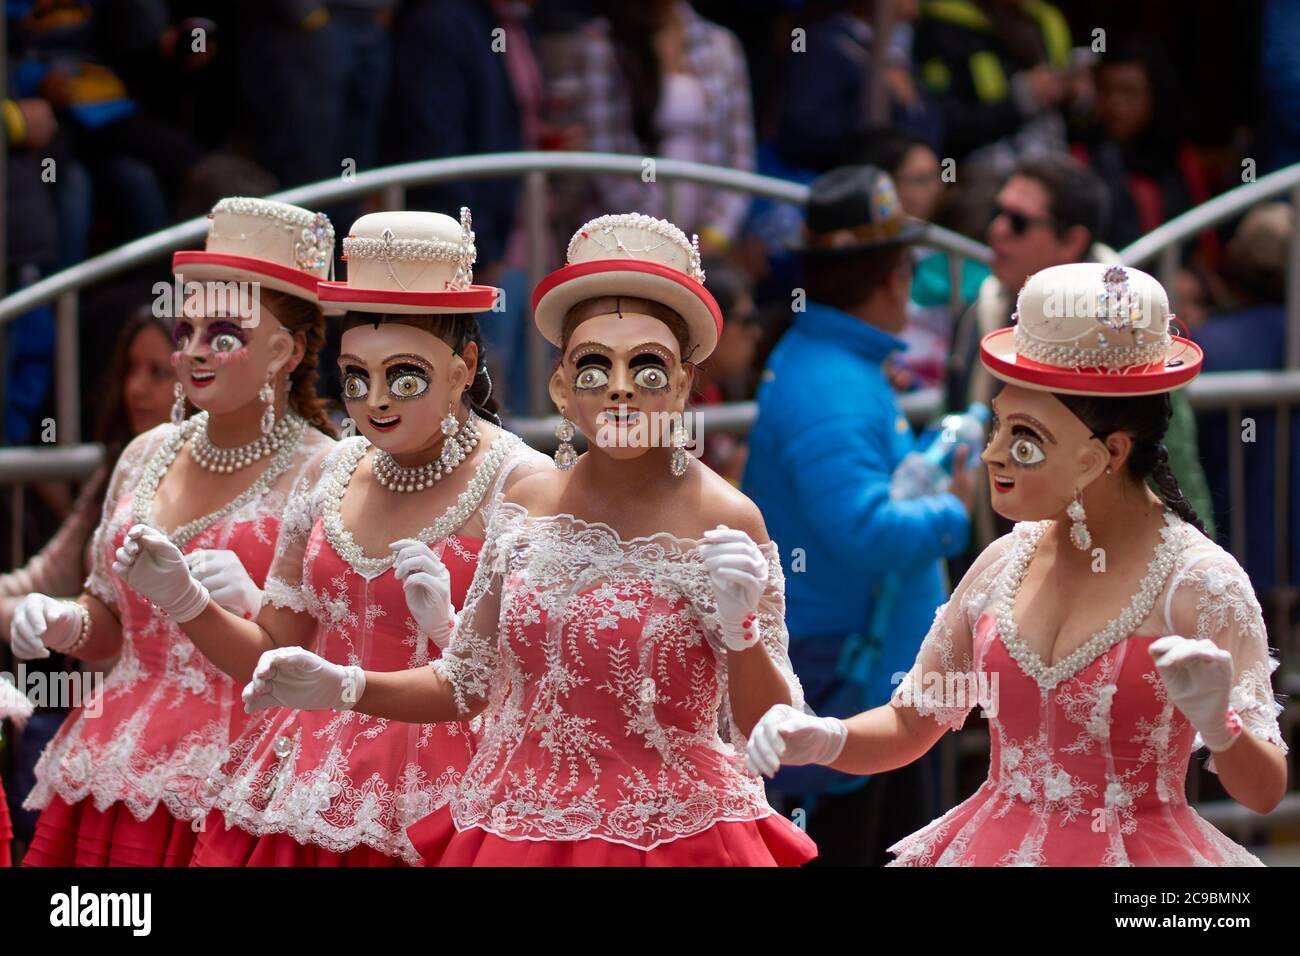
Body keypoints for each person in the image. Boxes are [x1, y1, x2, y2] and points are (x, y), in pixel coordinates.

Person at [241, 212, 818, 866]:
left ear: (684, 384)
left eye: (648, 367)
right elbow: (466, 683)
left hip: (667, 842)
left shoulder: (729, 519)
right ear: (562, 389)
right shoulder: (526, 500)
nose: (620, 387)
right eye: (594, 366)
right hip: (513, 830)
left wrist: (742, 637)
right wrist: (342, 684)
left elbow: (774, 727)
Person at [747, 263, 1289, 866]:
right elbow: (911, 725)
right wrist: (825, 737)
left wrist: (1221, 726)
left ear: (1107, 453)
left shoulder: (1201, 585)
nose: (991, 454)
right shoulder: (1003, 563)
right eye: (998, 425)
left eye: (1024, 439)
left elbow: (1264, 792)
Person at [116, 209, 550, 866]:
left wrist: (448, 629)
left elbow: (548, 684)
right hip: (304, 788)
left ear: (462, 367)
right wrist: (186, 601)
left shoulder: (519, 484)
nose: (375, 401)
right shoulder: (332, 469)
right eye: (355, 377)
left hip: (450, 802)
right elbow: (270, 653)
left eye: (404, 377)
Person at [8, 197, 339, 866]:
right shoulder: (145, 453)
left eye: (223, 333)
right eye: (186, 330)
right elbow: (111, 620)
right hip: (115, 762)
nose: (193, 351)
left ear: (286, 350)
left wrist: (241, 601)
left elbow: (326, 646)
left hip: (243, 775)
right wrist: (63, 622)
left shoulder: (327, 472)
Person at [742, 165, 973, 865]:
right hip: (849, 678)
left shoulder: (832, 363)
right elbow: (863, 530)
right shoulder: (831, 381)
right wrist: (954, 515)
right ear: (892, 277)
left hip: (861, 674)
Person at [946, 153, 1214, 541]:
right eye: (996, 212)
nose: (997, 230)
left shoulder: (1129, 338)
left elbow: (1177, 471)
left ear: (1072, 239)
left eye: (1018, 222)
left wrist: (1192, 565)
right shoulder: (976, 315)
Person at [0, 307, 175, 855]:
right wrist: (57, 616)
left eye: (156, 372)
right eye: (131, 369)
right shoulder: (120, 469)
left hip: (180, 751)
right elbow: (56, 587)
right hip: (96, 725)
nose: (136, 389)